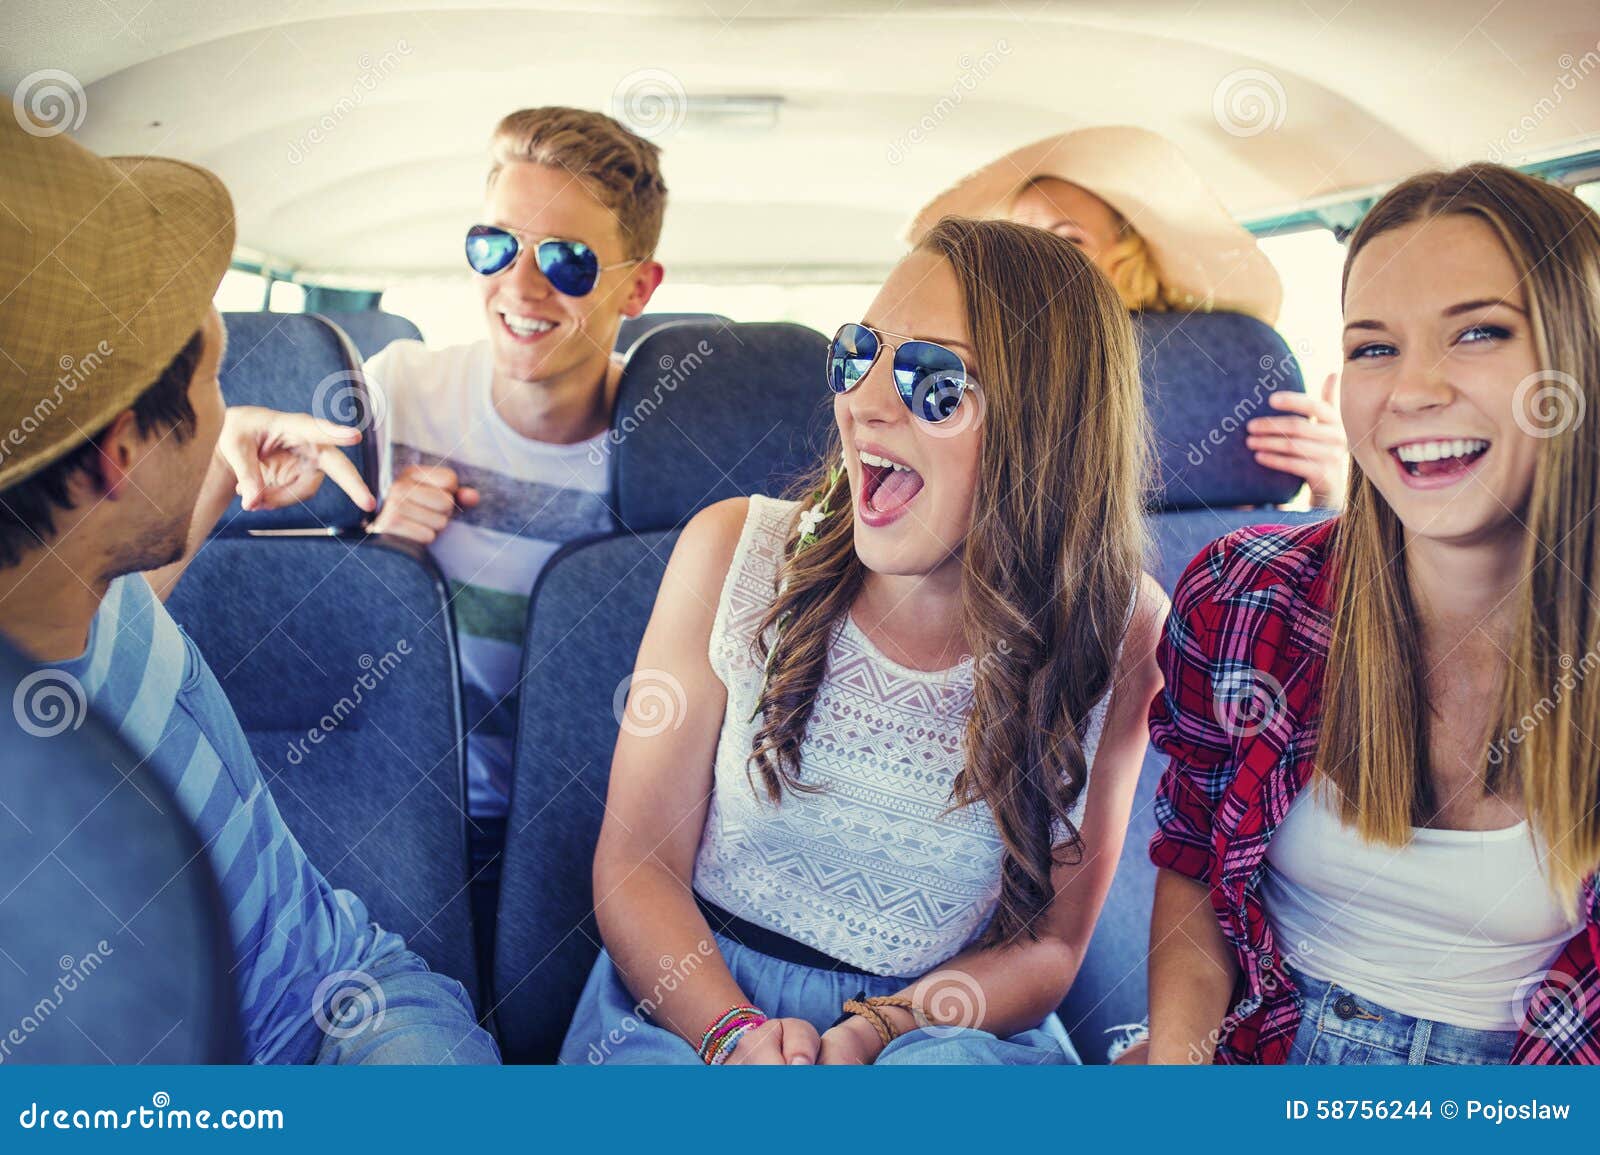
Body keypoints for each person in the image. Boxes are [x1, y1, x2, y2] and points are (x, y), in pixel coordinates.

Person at [559, 215, 1166, 1065]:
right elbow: (636, 865)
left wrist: (883, 1028)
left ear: (1047, 428)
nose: (864, 403)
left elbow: (1050, 944)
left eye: (933, 380)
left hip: (937, 1024)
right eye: (857, 354)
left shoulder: (1120, 629)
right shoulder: (732, 553)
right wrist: (734, 1038)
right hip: (691, 1004)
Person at [0, 119, 499, 1065]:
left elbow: (125, 620)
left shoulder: (75, 578)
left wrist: (216, 470)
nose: (231, 407)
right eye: (215, 382)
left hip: (349, 1000)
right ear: (118, 458)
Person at [1135, 163, 1600, 1066]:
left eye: (1478, 332)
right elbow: (1190, 862)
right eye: (1374, 347)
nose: (1412, 390)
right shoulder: (1246, 597)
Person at [365, 106, 667, 819]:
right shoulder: (395, 393)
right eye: (496, 245)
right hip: (398, 812)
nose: (521, 287)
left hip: (583, 824)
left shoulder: (675, 454)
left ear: (638, 288)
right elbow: (307, 641)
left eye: (567, 260)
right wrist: (378, 553)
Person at [909, 126, 1348, 509]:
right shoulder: (972, 380)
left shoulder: (1214, 385)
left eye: (1067, 242)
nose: (1036, 267)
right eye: (1021, 249)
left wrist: (1327, 498)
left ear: (1127, 261)